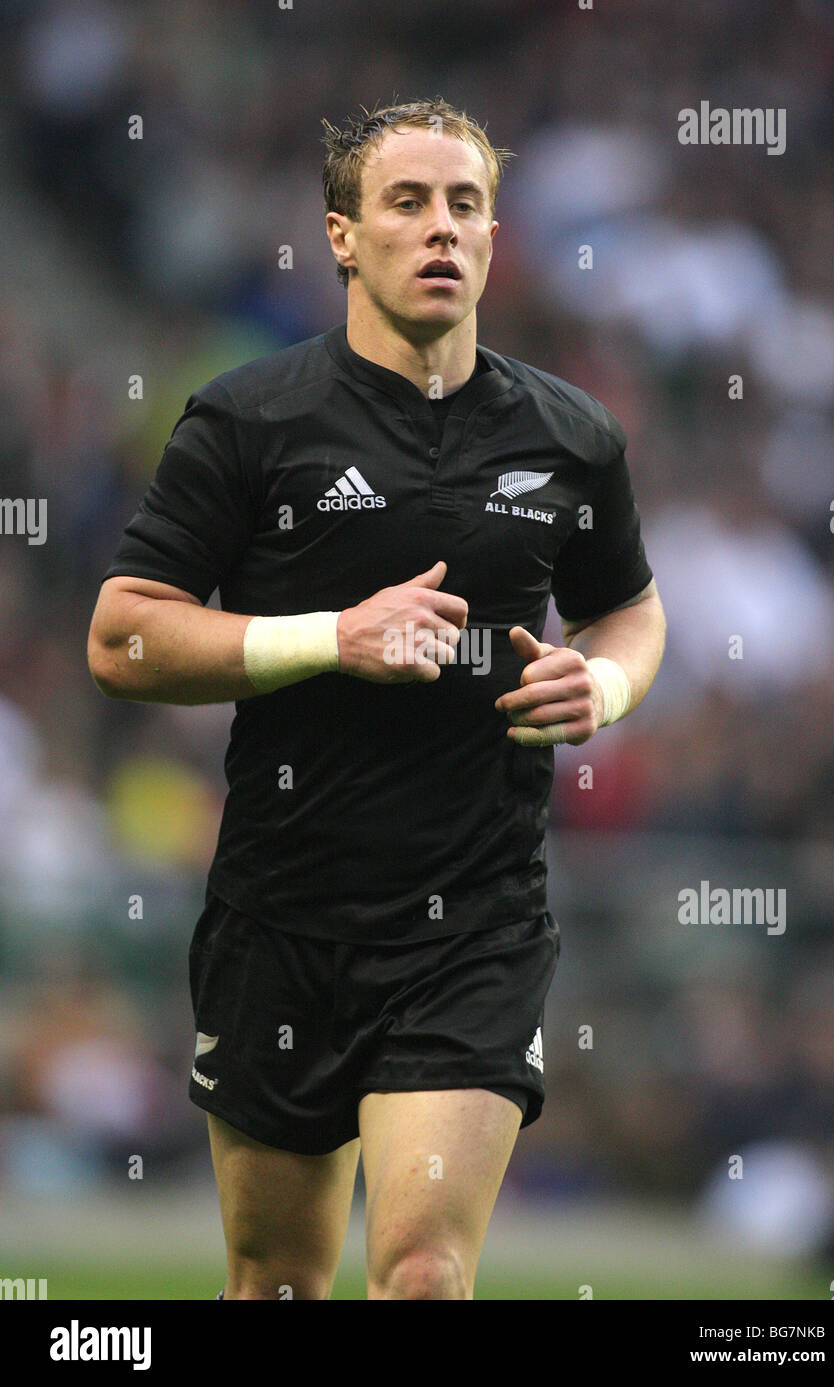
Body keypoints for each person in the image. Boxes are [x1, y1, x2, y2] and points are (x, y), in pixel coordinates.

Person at [87, 96, 666, 1300]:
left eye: (465, 205)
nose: (440, 227)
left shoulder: (572, 438)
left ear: (495, 238)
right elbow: (122, 637)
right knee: (276, 1281)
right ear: (342, 235)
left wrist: (600, 680)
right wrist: (327, 637)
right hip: (279, 914)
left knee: (419, 1272)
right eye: (407, 202)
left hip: (473, 925)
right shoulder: (248, 420)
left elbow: (630, 608)